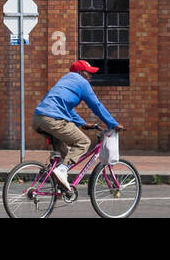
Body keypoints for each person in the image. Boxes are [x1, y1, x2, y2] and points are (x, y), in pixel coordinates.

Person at [33, 59, 124, 194]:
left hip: (38, 119)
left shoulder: (65, 80)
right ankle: (61, 171)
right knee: (83, 142)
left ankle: (59, 188)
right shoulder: (82, 83)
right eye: (88, 73)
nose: (90, 76)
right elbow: (96, 105)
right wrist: (113, 124)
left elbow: (66, 107)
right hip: (53, 119)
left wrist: (82, 123)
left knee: (64, 153)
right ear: (81, 72)